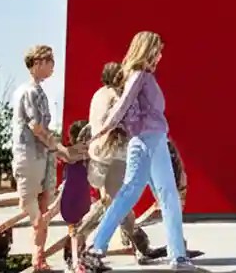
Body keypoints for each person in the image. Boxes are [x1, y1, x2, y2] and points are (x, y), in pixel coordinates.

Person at [80, 32, 193, 272]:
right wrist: (101, 131)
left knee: (137, 194)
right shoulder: (140, 74)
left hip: (148, 140)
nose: (160, 56)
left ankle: (95, 249)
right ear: (146, 49)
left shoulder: (141, 75)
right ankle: (177, 257)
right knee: (161, 195)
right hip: (149, 140)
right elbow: (122, 106)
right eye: (157, 50)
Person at [10, 44, 69, 272]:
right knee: (31, 205)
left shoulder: (39, 91)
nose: (53, 66)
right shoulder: (29, 92)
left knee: (44, 206)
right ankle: (38, 254)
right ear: (38, 63)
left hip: (42, 155)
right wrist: (56, 145)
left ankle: (39, 258)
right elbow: (35, 126)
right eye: (50, 61)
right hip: (29, 154)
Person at [59, 120, 93, 270]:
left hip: (80, 197)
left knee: (80, 231)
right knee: (76, 231)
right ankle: (75, 261)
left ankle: (77, 259)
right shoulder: (73, 155)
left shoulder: (79, 155)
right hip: (73, 198)